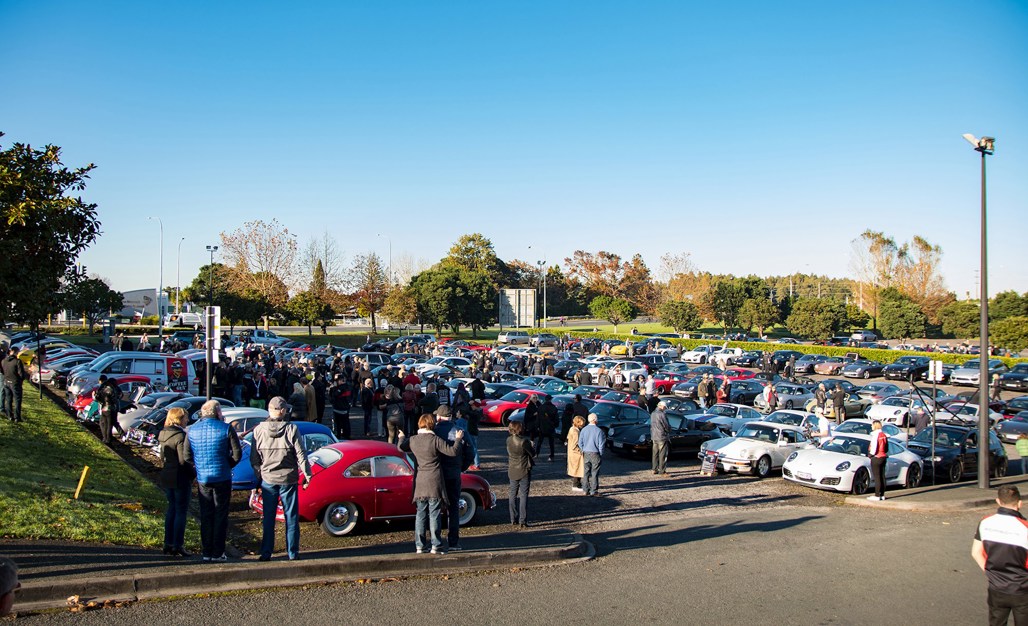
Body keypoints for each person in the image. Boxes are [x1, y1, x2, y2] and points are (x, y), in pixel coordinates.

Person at [250, 397, 312, 561]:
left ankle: (266, 552)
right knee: (291, 517)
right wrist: (307, 474)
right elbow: (301, 454)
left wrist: (260, 474)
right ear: (283, 411)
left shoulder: (258, 430)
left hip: (268, 479)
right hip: (288, 478)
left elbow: (254, 458)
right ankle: (292, 552)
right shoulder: (291, 429)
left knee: (268, 518)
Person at [398, 414, 464, 554]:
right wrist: (458, 439)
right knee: (434, 514)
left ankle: (420, 545)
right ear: (432, 425)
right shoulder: (434, 440)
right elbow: (452, 452)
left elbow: (400, 448)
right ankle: (436, 544)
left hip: (420, 480)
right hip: (434, 480)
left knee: (420, 514)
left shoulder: (413, 440)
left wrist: (401, 437)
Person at [188, 400, 242, 562]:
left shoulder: (192, 430)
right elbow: (237, 454)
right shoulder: (226, 428)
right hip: (222, 476)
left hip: (203, 477)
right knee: (221, 514)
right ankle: (218, 552)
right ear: (217, 412)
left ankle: (207, 551)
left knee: (206, 515)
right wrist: (227, 465)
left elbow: (186, 456)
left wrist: (198, 468)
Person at [971, 485, 1028, 625]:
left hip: (996, 587)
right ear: (1020, 503)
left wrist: (990, 573)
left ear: (998, 501)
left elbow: (975, 552)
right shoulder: (1025, 527)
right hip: (1022, 588)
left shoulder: (985, 522)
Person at [434, 406, 473, 551]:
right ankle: (453, 542)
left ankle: (435, 542)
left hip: (437, 473)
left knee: (435, 508)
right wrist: (462, 467)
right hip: (454, 472)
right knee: (454, 508)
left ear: (439, 417)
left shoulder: (434, 432)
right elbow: (470, 452)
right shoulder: (459, 431)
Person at [158, 407, 194, 558]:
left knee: (171, 509)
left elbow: (162, 456)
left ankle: (168, 542)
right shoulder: (181, 436)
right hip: (180, 477)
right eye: (186, 418)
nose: (188, 420)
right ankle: (177, 544)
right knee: (181, 511)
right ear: (180, 419)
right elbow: (183, 460)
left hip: (167, 475)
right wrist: (193, 474)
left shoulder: (163, 433)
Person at [506, 420, 536, 526]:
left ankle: (512, 518)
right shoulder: (524, 441)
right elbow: (533, 454)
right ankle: (522, 520)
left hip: (512, 468)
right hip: (523, 469)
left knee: (512, 494)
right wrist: (532, 445)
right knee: (523, 495)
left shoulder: (508, 440)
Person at [579, 413, 606, 496]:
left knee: (585, 472)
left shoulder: (584, 430)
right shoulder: (599, 431)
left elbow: (580, 442)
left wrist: (583, 450)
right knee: (594, 473)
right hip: (595, 453)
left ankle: (585, 490)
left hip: (586, 453)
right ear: (595, 420)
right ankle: (593, 491)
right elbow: (601, 444)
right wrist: (601, 453)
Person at [94, 374, 126, 443]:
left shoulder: (105, 388)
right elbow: (120, 395)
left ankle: (106, 438)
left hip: (106, 408)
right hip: (113, 408)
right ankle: (117, 436)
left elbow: (99, 398)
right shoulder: (115, 388)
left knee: (106, 424)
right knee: (112, 423)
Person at [1, 347, 27, 422]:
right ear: (16, 352)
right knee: (17, 400)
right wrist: (20, 380)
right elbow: (21, 375)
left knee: (8, 399)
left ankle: (9, 415)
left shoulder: (3, 361)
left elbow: (2, 371)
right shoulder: (17, 361)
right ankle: (17, 417)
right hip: (15, 383)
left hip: (6, 381)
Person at [867, 420, 888, 501]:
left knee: (877, 477)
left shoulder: (875, 435)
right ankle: (882, 494)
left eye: (872, 425)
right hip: (883, 457)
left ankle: (877, 495)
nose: (871, 427)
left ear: (875, 426)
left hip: (877, 457)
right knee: (882, 476)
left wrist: (871, 454)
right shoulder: (883, 435)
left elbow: (874, 447)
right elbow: (886, 448)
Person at [535, 395, 558, 462]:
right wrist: (555, 425)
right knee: (551, 443)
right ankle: (551, 455)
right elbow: (556, 419)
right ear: (550, 400)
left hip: (542, 427)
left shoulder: (541, 407)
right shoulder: (554, 408)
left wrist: (537, 426)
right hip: (551, 427)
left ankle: (537, 453)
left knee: (540, 441)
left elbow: (538, 418)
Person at [566, 415, 586, 492]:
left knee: (576, 469)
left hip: (572, 453)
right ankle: (576, 485)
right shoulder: (576, 431)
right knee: (577, 469)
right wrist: (580, 451)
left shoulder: (572, 429)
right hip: (576, 454)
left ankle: (577, 484)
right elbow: (575, 444)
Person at [651, 401, 671, 475]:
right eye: (665, 407)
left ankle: (654, 469)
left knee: (655, 453)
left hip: (654, 436)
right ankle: (662, 470)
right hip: (661, 436)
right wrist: (669, 430)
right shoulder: (662, 414)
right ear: (662, 406)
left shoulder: (653, 413)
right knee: (662, 454)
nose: (665, 409)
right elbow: (666, 425)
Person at [329, 374, 352, 439]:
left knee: (338, 424)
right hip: (346, 408)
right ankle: (347, 435)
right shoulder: (348, 387)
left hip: (338, 408)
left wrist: (333, 389)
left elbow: (334, 397)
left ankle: (338, 435)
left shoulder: (339, 388)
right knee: (346, 423)